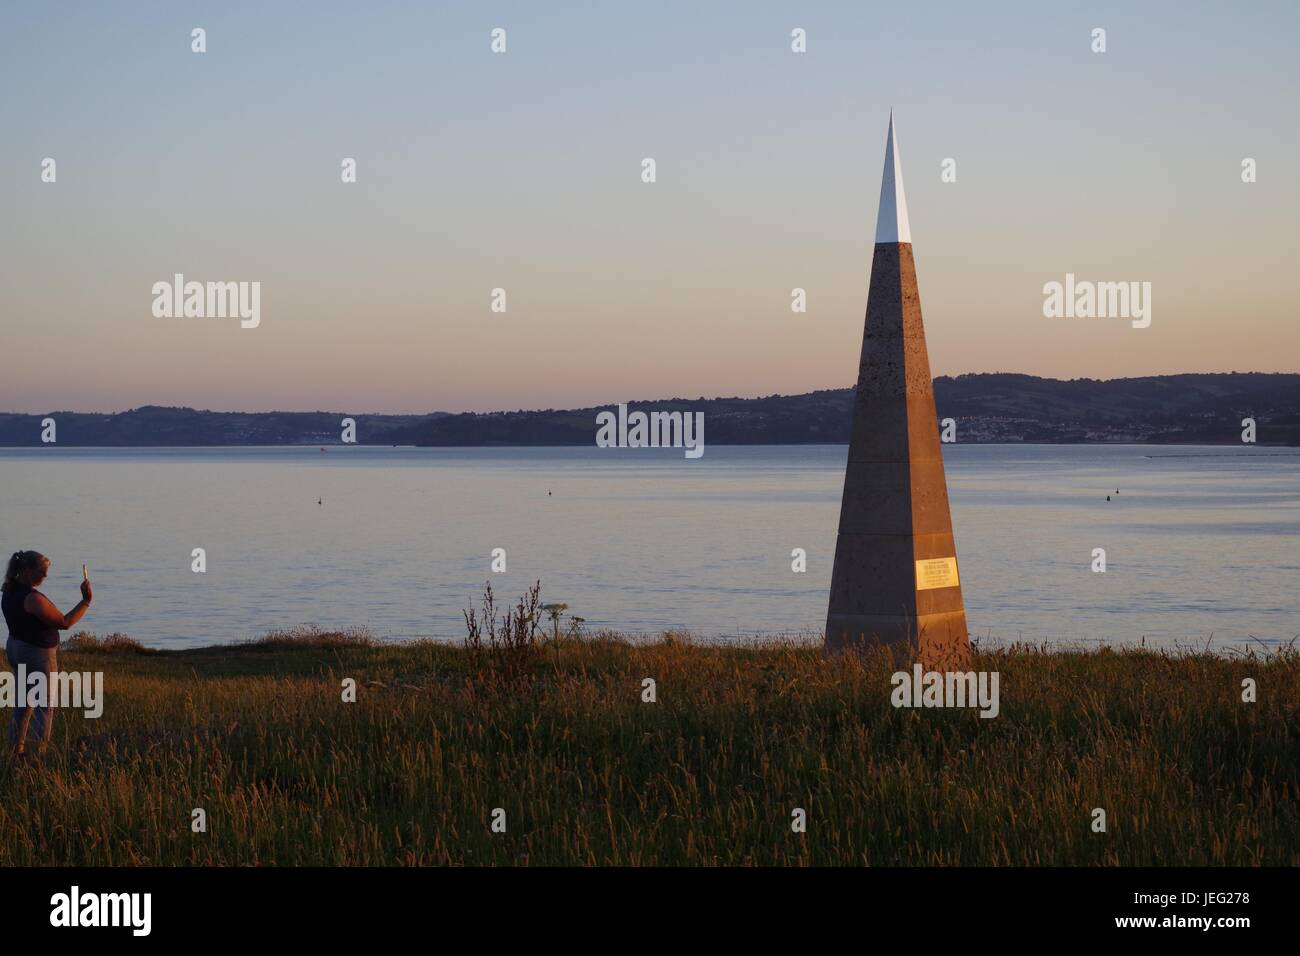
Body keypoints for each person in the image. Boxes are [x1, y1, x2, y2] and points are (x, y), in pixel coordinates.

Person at [2, 550, 92, 760]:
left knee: (23, 705)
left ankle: (17, 754)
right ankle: (36, 758)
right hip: (37, 654)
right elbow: (64, 622)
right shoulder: (32, 598)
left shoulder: (9, 590)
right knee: (44, 707)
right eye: (42, 571)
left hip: (16, 647)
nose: (46, 576)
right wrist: (86, 601)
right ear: (26, 570)